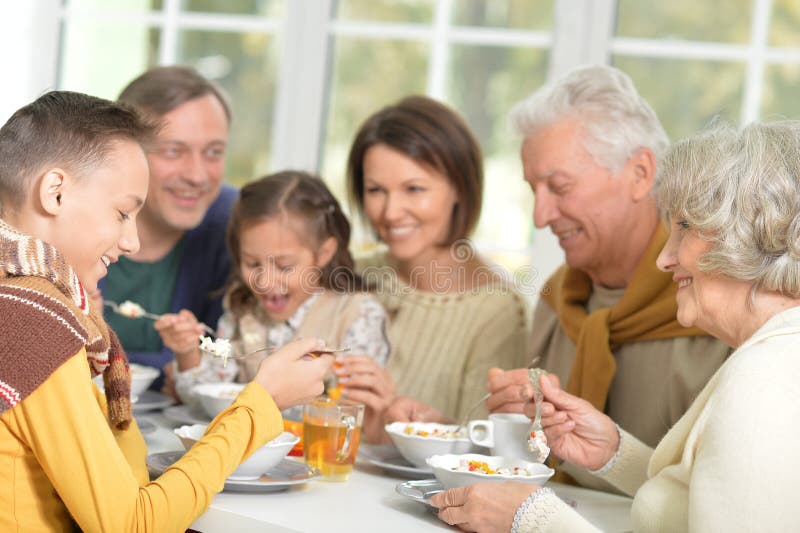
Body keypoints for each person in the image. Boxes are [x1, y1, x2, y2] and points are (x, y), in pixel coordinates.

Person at [431, 120, 800, 532]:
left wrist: (530, 519)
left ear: (751, 232)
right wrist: (614, 453)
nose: (664, 259)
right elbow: (703, 507)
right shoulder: (776, 358)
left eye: (684, 228)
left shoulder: (762, 380)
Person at [0, 91, 332, 531]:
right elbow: (134, 523)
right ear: (55, 192)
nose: (132, 241)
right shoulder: (32, 319)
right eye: (123, 213)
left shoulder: (21, 302)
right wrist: (263, 403)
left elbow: (125, 477)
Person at [341, 95, 530, 433]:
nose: (391, 212)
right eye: (376, 190)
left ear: (459, 188)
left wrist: (425, 431)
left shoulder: (498, 311)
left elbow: (486, 448)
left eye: (414, 189)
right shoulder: (349, 273)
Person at [163, 171, 391, 441]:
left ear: (324, 253)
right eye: (252, 264)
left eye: (284, 266)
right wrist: (188, 353)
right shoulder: (243, 310)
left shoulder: (356, 315)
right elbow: (206, 398)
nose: (265, 282)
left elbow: (352, 418)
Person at [98, 66, 237, 388]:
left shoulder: (235, 226)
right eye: (174, 151)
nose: (197, 176)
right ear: (125, 152)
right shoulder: (71, 226)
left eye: (213, 152)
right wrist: (170, 370)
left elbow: (230, 362)